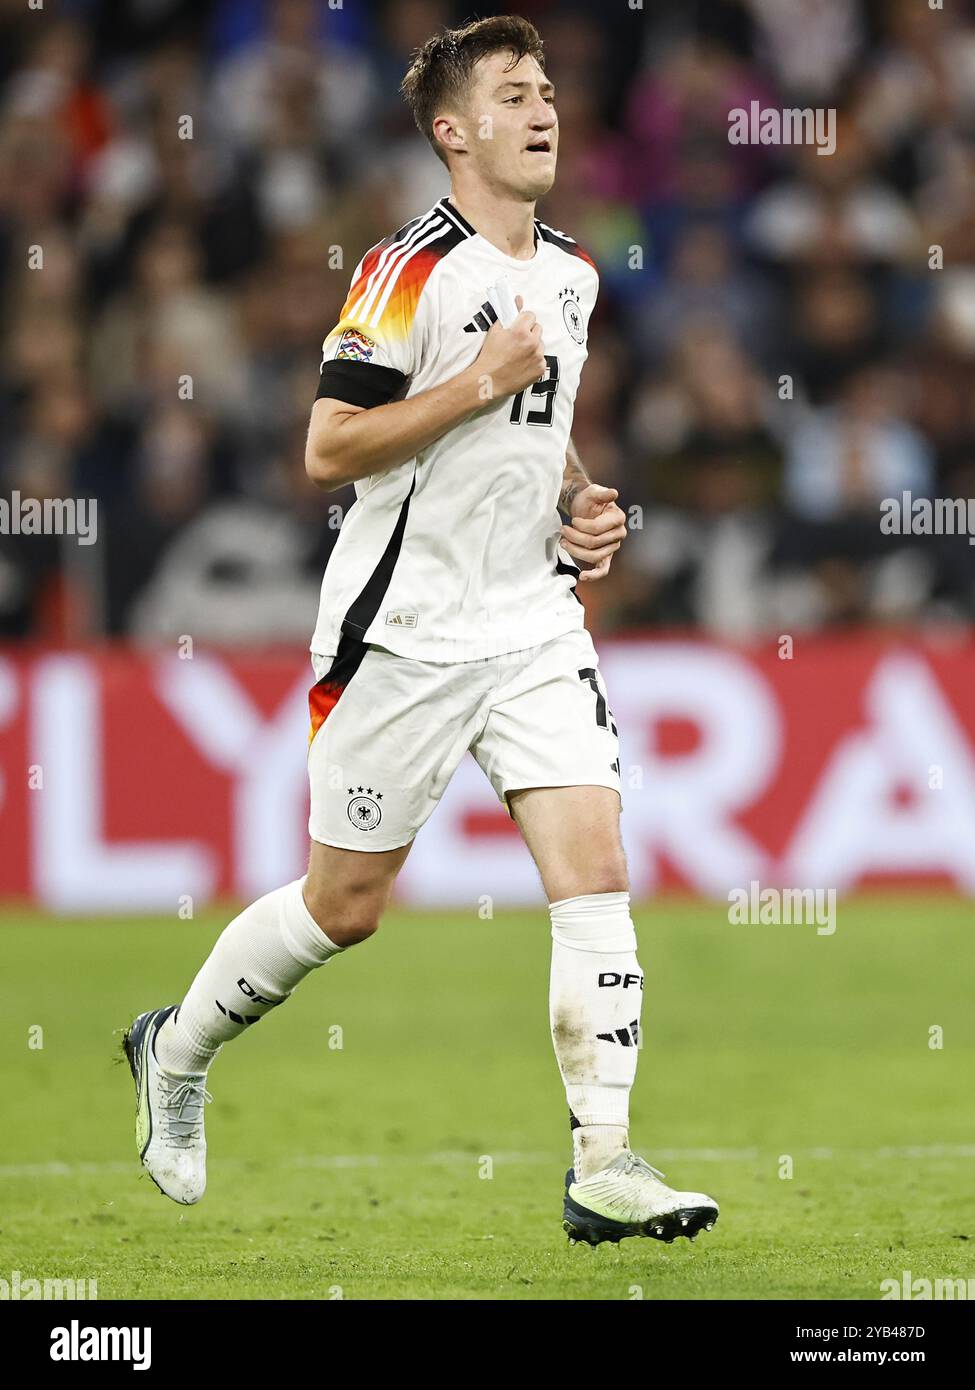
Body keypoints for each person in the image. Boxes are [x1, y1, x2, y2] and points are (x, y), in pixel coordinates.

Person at [123, 14, 718, 1248]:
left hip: (532, 624)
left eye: (548, 88)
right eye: (512, 94)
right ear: (453, 132)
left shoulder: (571, 271)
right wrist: (474, 385)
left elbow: (536, 424)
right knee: (344, 906)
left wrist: (577, 496)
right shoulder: (406, 270)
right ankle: (172, 1051)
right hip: (401, 632)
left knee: (595, 871)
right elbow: (327, 446)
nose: (544, 108)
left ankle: (604, 1159)